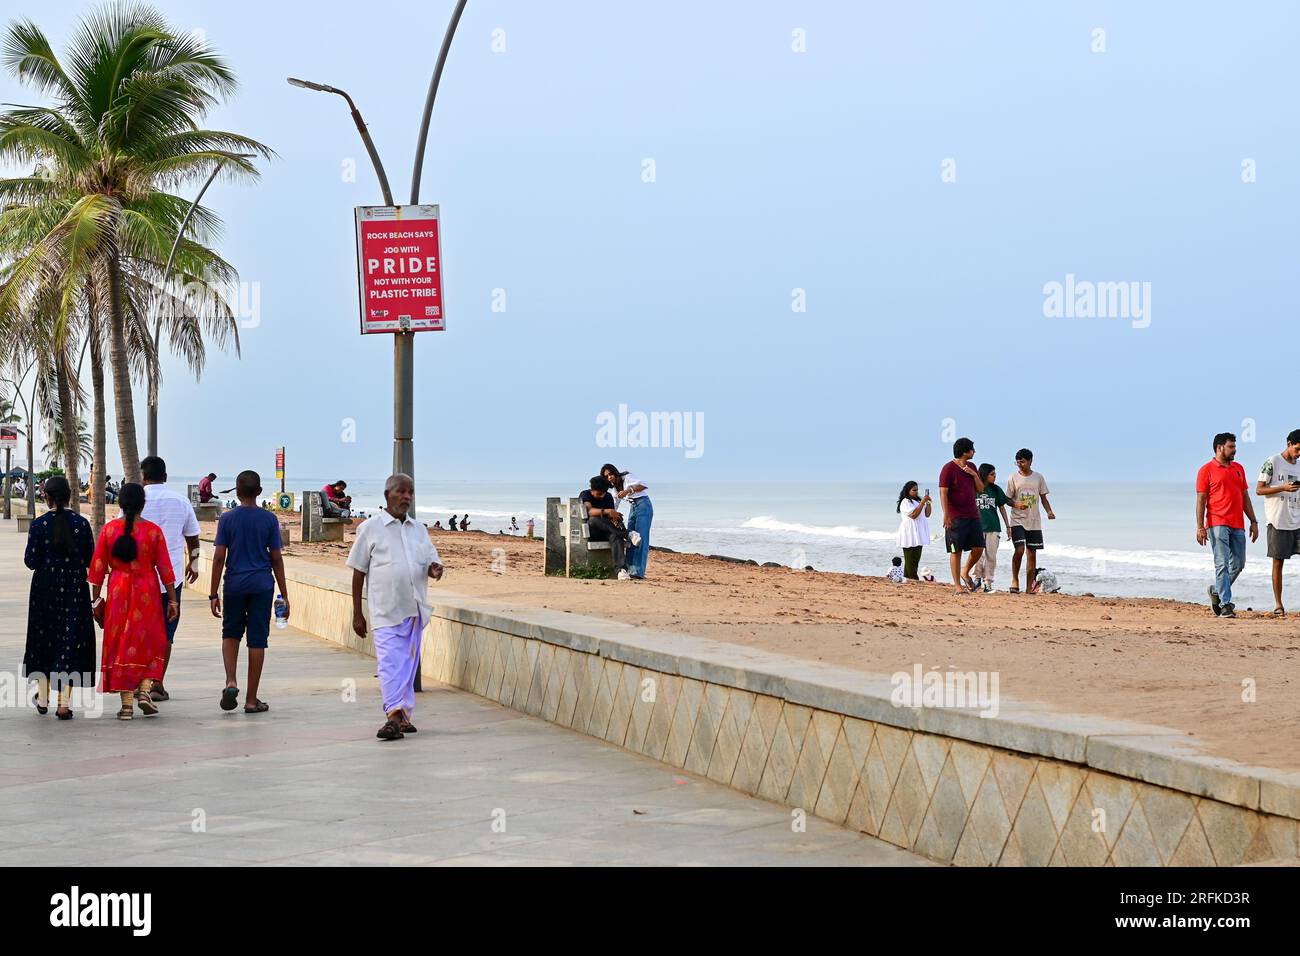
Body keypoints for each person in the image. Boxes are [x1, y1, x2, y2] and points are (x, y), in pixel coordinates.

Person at [348, 473, 444, 741]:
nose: (407, 497)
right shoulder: (370, 528)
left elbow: (432, 562)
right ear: (387, 495)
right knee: (390, 663)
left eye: (410, 492)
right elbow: (358, 572)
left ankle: (402, 716)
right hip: (384, 611)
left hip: (414, 609)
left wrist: (435, 570)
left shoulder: (419, 529)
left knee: (407, 666)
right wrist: (358, 613)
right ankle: (392, 715)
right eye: (401, 492)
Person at [88, 483, 178, 720]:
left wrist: (95, 599)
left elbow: (97, 568)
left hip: (118, 591)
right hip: (146, 592)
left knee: (120, 644)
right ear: (143, 504)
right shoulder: (153, 531)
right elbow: (165, 568)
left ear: (120, 503)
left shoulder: (109, 530)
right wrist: (173, 599)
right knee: (150, 641)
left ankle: (126, 706)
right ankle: (145, 691)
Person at [209, 470, 290, 713]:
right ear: (259, 492)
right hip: (261, 586)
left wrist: (213, 593)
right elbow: (276, 558)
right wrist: (284, 594)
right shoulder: (268, 520)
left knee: (230, 633)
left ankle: (231, 680)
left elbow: (218, 557)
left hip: (234, 584)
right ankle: (251, 700)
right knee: (257, 639)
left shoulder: (227, 519)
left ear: (237, 491)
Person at [23, 476, 96, 720]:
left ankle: (42, 699)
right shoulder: (81, 524)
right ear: (70, 496)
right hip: (75, 587)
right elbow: (90, 560)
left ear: (47, 497)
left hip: (44, 588)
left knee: (44, 639)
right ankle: (63, 703)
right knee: (70, 639)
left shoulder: (39, 524)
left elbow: (30, 560)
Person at [139, 456, 200, 702]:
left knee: (141, 631)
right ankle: (157, 684)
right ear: (165, 476)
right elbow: (193, 538)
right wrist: (194, 563)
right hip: (170, 580)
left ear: (143, 477)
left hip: (139, 578)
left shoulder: (135, 500)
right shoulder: (181, 501)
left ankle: (140, 683)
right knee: (166, 633)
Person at [1196, 432, 1258, 619]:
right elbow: (1201, 500)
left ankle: (1216, 590)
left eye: (1235, 446)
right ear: (1219, 447)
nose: (1235, 450)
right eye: (1231, 447)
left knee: (1238, 564)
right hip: (1217, 523)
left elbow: (1245, 497)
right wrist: (1200, 527)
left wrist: (1253, 521)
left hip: (1237, 524)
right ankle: (1225, 604)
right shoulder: (1206, 470)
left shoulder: (1239, 468)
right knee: (1221, 564)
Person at [1256, 429, 1300, 617]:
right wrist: (1283, 487)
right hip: (1277, 520)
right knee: (1278, 563)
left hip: (1297, 519)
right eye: (1297, 449)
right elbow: (1259, 489)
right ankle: (1278, 604)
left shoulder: (1299, 465)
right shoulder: (1272, 462)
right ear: (1289, 444)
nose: (1299, 454)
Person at [939, 438, 986, 594]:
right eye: (972, 449)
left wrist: (974, 474)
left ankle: (964, 571)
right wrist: (946, 515)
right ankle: (958, 586)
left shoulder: (972, 466)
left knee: (979, 547)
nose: (974, 452)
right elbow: (943, 493)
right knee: (956, 551)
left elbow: (981, 489)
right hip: (955, 516)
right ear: (965, 451)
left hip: (973, 515)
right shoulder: (948, 468)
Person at [1006, 449, 1055, 594]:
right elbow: (1007, 499)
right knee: (1019, 549)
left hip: (1033, 521)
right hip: (1017, 520)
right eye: (1018, 462)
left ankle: (1029, 587)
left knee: (1031, 553)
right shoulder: (1013, 478)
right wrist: (1016, 504)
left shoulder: (1038, 478)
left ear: (1030, 461)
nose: (1020, 464)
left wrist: (1049, 511)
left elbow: (1043, 498)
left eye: (1022, 461)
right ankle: (1014, 581)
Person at [602, 463, 650, 579]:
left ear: (615, 472)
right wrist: (612, 515)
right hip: (633, 507)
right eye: (607, 476)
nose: (609, 477)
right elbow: (615, 504)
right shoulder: (614, 488)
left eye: (610, 474)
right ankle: (630, 570)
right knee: (632, 537)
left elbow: (643, 485)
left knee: (641, 537)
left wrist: (628, 490)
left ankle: (638, 572)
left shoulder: (627, 477)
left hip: (643, 504)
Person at [581, 475, 634, 580]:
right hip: (592, 532)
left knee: (616, 536)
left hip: (607, 530)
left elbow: (611, 516)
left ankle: (621, 571)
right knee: (593, 519)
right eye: (599, 494)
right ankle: (627, 534)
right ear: (592, 490)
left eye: (603, 493)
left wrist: (615, 517)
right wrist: (607, 511)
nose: (601, 496)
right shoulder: (585, 495)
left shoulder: (608, 496)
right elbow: (589, 511)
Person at [972, 463, 1014, 592]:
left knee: (991, 556)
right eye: (992, 474)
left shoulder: (996, 490)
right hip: (976, 527)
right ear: (984, 474)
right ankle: (977, 579)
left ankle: (988, 582)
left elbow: (1002, 508)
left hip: (993, 527)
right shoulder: (973, 488)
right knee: (977, 555)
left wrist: (1008, 526)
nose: (995, 477)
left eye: (995, 474)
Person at [894, 481, 931, 580]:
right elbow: (914, 515)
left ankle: (907, 578)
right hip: (909, 533)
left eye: (917, 490)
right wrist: (922, 502)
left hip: (919, 533)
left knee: (916, 559)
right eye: (914, 490)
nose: (916, 492)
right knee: (910, 559)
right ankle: (913, 579)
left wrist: (928, 503)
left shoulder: (917, 501)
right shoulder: (905, 502)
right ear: (908, 491)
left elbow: (927, 514)